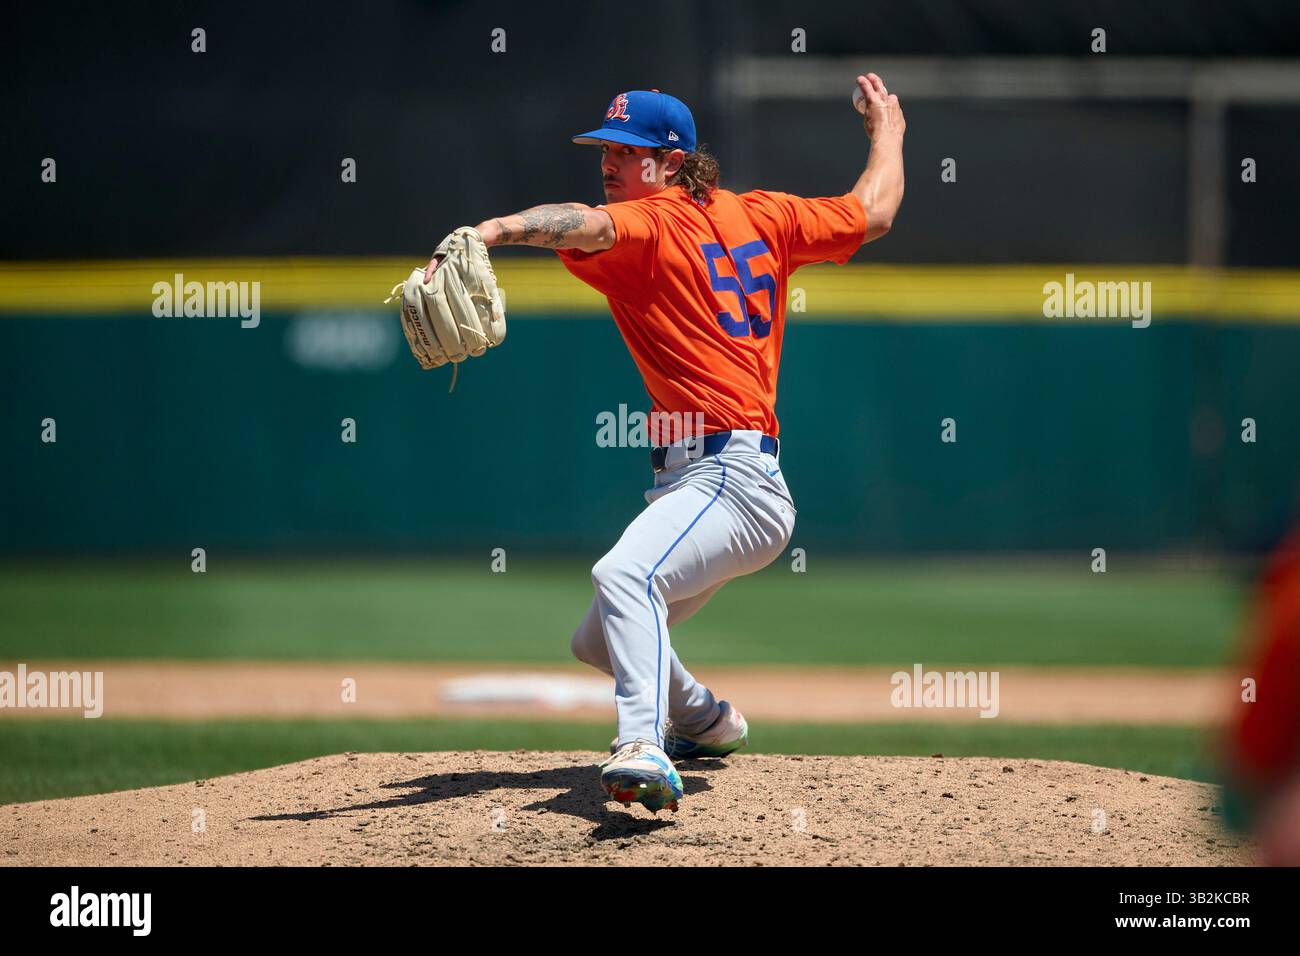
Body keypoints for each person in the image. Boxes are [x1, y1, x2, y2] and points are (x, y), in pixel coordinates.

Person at [424, 74, 905, 812]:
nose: (611, 161)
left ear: (671, 163)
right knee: (597, 641)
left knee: (624, 577)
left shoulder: (651, 221)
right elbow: (873, 212)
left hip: (729, 478)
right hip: (709, 484)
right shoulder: (764, 215)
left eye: (630, 150)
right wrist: (889, 134)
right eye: (607, 148)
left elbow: (585, 224)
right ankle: (704, 721)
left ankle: (642, 745)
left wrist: (494, 230)